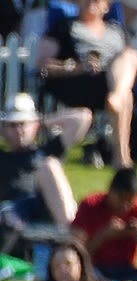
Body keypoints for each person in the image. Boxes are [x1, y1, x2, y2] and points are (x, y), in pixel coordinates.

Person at [36, 0, 137, 169]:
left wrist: (136, 61)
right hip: (79, 83)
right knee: (125, 91)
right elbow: (44, 65)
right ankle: (122, 157)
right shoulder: (64, 28)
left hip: (112, 80)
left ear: (106, 4)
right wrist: (77, 67)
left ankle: (116, 98)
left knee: (128, 57)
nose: (90, 0)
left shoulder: (118, 31)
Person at [0, 92, 86, 230]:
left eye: (23, 124)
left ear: (34, 125)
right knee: (9, 211)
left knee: (50, 165)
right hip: (14, 208)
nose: (18, 130)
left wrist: (42, 122)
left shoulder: (47, 151)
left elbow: (82, 118)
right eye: (12, 125)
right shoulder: (3, 157)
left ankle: (67, 233)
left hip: (45, 205)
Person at [71, 166, 137, 281]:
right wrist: (103, 236)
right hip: (96, 269)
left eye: (130, 202)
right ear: (110, 191)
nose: (124, 206)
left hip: (129, 271)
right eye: (121, 199)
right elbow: (76, 255)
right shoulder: (90, 205)